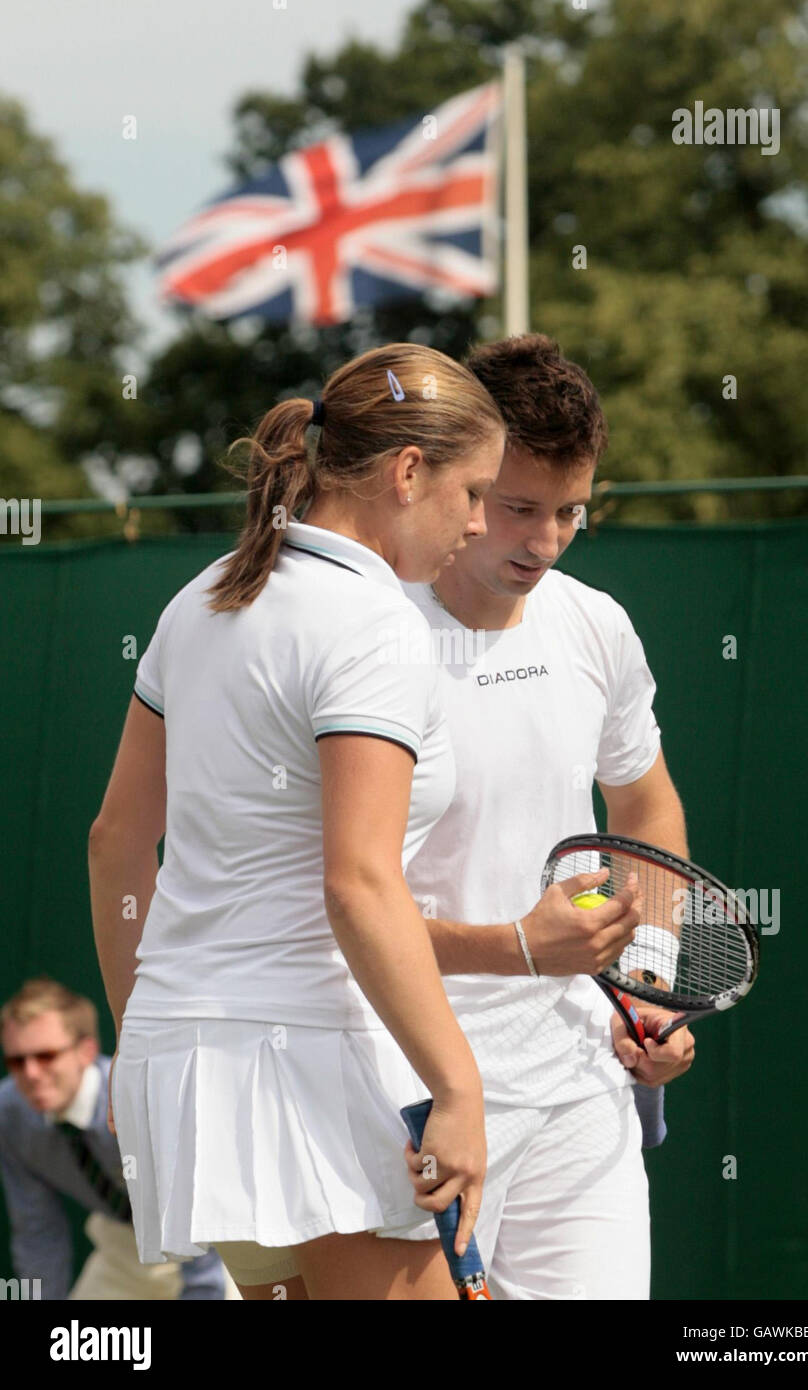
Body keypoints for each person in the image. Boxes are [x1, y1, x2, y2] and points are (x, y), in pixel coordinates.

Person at [88, 343, 507, 1301]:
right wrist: (458, 1088)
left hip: (181, 1068)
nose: (480, 522)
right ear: (408, 473)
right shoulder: (376, 625)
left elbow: (115, 840)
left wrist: (141, 1029)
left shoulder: (192, 601)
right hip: (309, 1070)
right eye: (473, 491)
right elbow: (358, 881)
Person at [398, 334, 696, 1299]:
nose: (544, 540)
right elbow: (339, 903)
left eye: (571, 511)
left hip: (579, 1087)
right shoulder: (368, 636)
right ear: (460, 477)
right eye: (519, 508)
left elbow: (643, 799)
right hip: (405, 1085)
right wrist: (519, 946)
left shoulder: (594, 624)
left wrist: (647, 982)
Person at [0, 978, 236, 1299]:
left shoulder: (140, 1099)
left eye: (46, 1056)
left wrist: (203, 1291)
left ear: (86, 1051)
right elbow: (37, 1233)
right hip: (122, 1246)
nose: (31, 1073)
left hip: (217, 1243)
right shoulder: (11, 1114)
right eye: (16, 1061)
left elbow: (197, 1209)